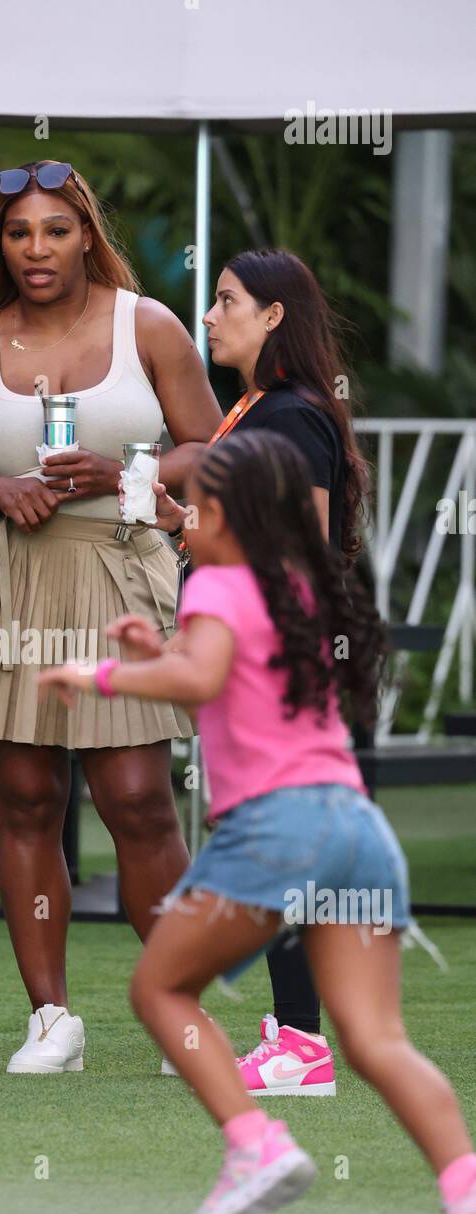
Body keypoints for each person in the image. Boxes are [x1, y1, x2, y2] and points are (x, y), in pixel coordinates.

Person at [37, 432, 476, 1214]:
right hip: (357, 833)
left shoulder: (220, 585)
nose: (182, 518)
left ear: (232, 517)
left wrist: (101, 679)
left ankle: (256, 1146)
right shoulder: (304, 590)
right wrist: (156, 656)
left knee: (159, 989)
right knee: (377, 1041)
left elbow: (203, 680)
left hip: (279, 832)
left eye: (193, 505)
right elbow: (233, 680)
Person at [0, 159, 221, 1073]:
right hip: (11, 584)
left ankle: (178, 1012)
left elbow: (211, 450)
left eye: (54, 230)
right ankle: (51, 1021)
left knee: (138, 802)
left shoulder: (146, 326)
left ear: (86, 234)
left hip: (120, 575)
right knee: (29, 801)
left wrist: (127, 477)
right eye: (17, 233)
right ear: (0, 245)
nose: (36, 249)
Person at [151, 248, 374, 1096]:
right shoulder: (266, 409)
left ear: (273, 315)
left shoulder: (290, 416)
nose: (208, 316)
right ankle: (292, 1036)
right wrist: (181, 521)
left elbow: (303, 551)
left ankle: (304, 1045)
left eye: (225, 301)